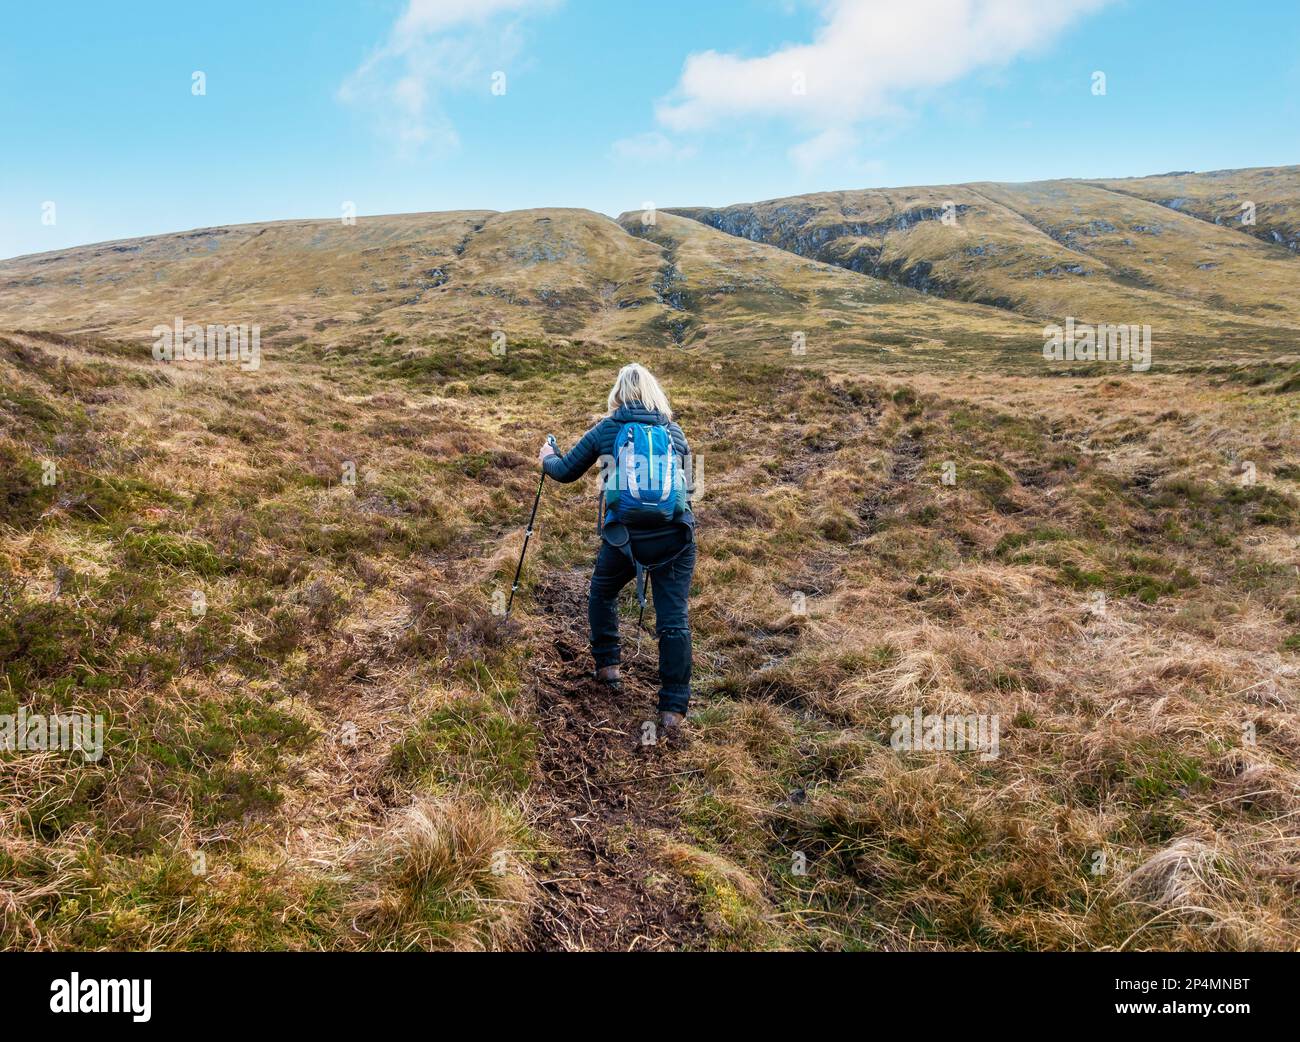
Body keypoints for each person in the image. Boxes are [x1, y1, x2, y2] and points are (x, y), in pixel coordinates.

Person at [539, 363, 696, 734]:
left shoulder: (608, 429)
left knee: (602, 592)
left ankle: (608, 668)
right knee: (673, 620)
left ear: (618, 394)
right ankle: (673, 710)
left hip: (625, 539)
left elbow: (564, 471)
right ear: (655, 393)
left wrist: (546, 456)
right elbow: (688, 490)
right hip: (675, 539)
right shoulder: (674, 433)